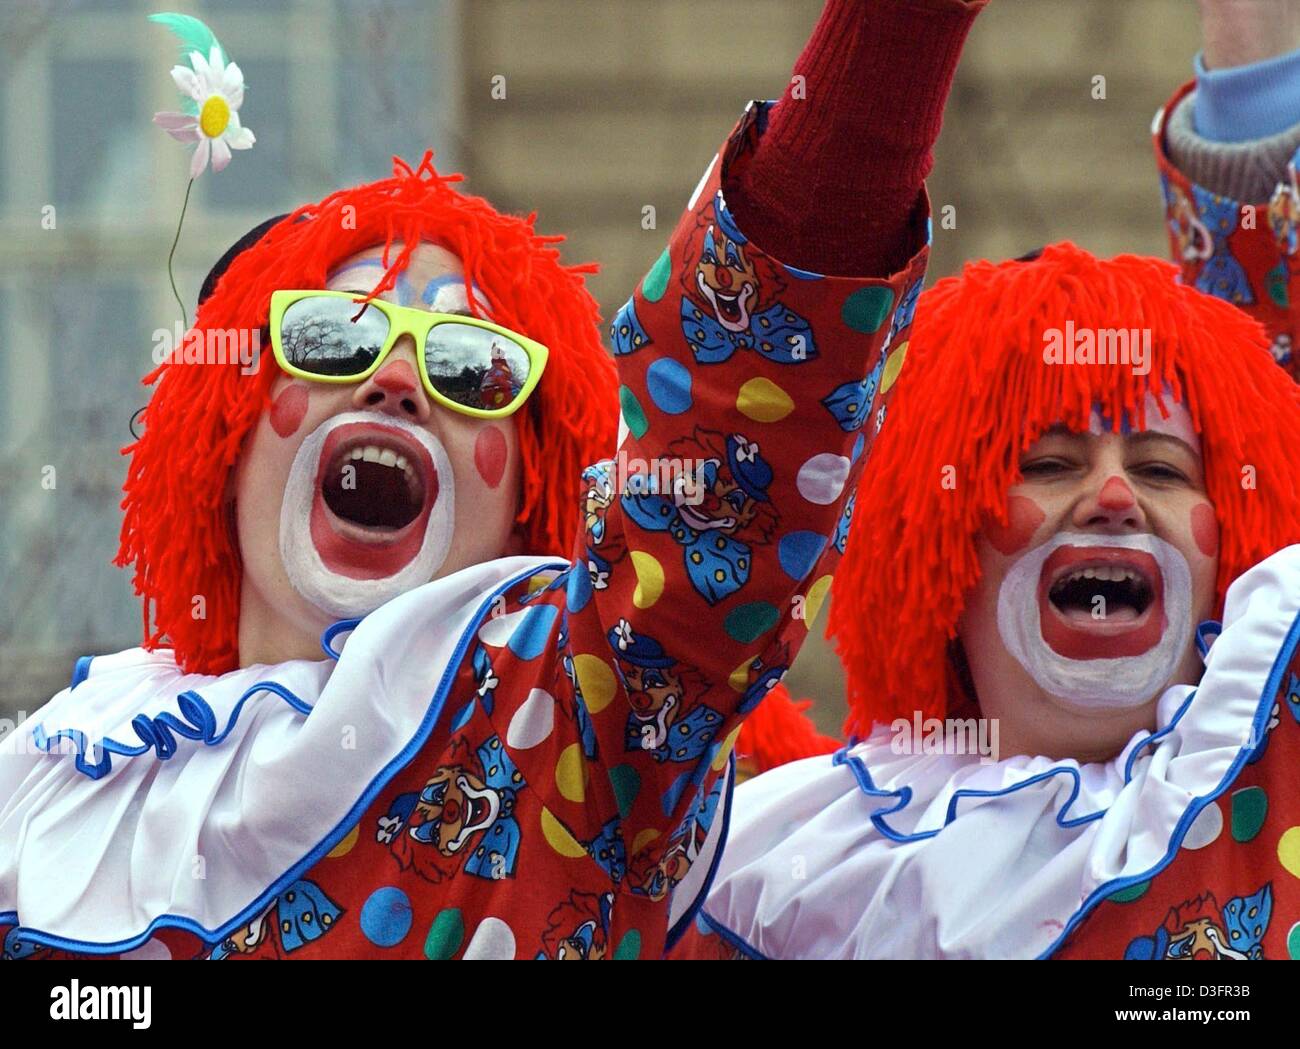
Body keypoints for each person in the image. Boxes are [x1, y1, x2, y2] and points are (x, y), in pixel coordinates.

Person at [0, 0, 985, 960]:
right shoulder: (55, 785)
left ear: (527, 493)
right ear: (222, 439)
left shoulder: (570, 717)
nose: (393, 382)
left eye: (470, 369)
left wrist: (899, 23)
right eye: (332, 340)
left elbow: (731, 444)